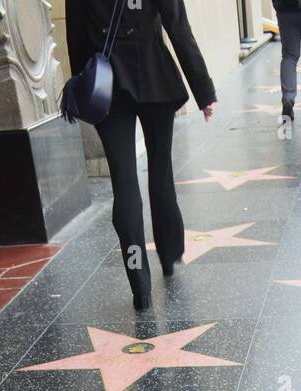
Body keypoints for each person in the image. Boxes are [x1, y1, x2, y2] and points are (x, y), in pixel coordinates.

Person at [66, 0, 216, 311]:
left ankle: (140, 287)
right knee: (160, 170)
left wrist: (86, 84)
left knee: (124, 184)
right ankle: (170, 253)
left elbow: (76, 37)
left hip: (107, 87)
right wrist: (204, 91)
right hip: (155, 79)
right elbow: (178, 27)